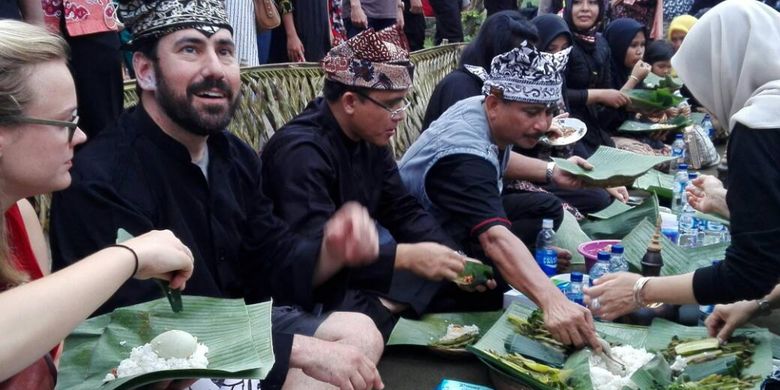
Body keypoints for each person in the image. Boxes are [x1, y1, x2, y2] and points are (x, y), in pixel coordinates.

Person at [48, 1, 387, 389]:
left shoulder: (235, 156)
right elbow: (141, 330)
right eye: (190, 49)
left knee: (361, 332)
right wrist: (302, 351)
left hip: (237, 324)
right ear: (145, 71)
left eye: (225, 51)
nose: (214, 68)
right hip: (155, 359)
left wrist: (330, 251)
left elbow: (269, 261)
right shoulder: (101, 178)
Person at [0, 20, 195, 386]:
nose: (81, 135)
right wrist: (129, 256)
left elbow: (49, 359)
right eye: (66, 122)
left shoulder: (18, 215)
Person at [262, 26, 474, 338]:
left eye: (403, 102)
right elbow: (314, 254)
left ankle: (391, 307)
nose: (400, 115)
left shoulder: (370, 139)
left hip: (365, 264)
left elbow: (401, 209)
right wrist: (406, 258)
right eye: (392, 103)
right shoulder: (300, 153)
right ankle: (388, 310)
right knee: (362, 315)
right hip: (306, 286)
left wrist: (451, 256)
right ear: (350, 101)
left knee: (458, 270)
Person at [584, 0, 780, 323]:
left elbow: (749, 271)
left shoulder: (759, 125)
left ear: (725, 67)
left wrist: (642, 289)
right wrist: (733, 204)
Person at [399, 44, 602, 351]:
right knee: (491, 287)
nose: (543, 125)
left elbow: (498, 160)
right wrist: (552, 301)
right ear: (495, 104)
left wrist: (552, 171)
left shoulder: (479, 106)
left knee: (544, 207)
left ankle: (521, 266)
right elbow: (494, 238)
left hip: (453, 214)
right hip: (417, 237)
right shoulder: (465, 159)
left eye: (548, 112)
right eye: (531, 112)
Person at [422, 10, 539, 130]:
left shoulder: (495, 85)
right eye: (522, 60)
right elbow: (465, 144)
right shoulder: (461, 89)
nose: (530, 66)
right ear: (497, 55)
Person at [563, 0, 630, 157]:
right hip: (565, 131)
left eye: (592, 3)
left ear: (601, 8)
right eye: (578, 3)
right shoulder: (560, 41)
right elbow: (557, 95)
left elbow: (606, 95)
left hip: (595, 130)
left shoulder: (600, 43)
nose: (585, 9)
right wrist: (598, 95)